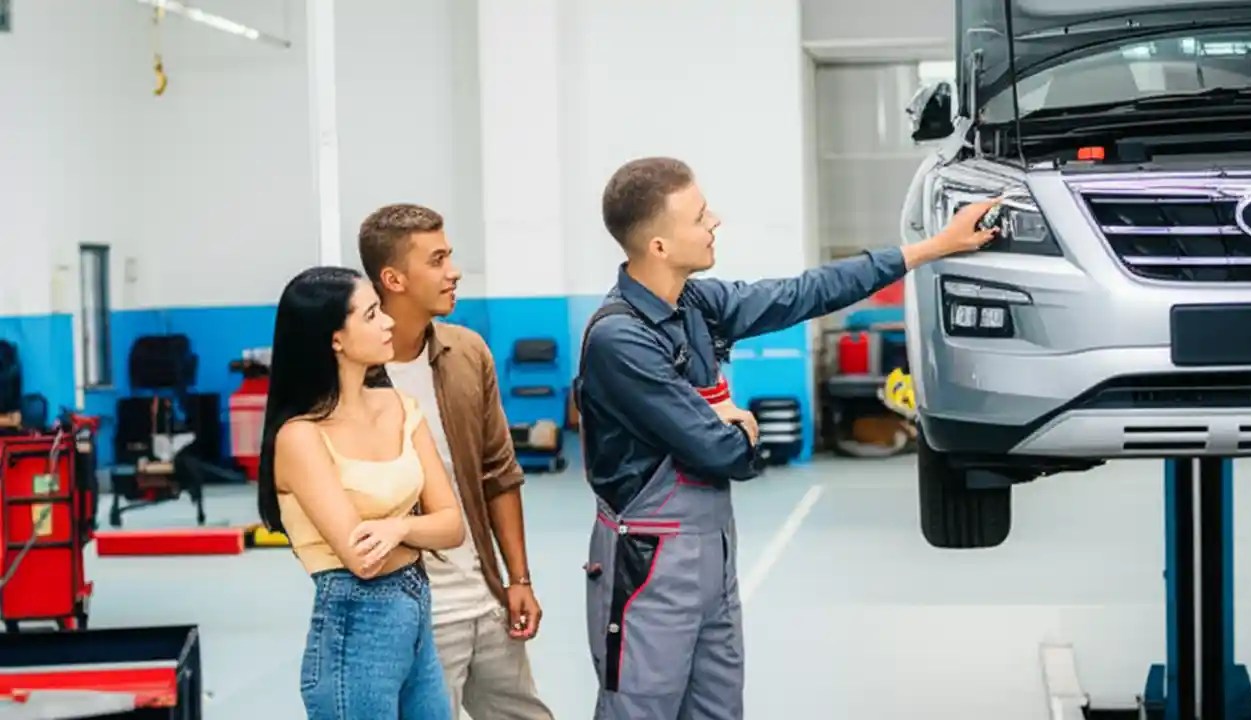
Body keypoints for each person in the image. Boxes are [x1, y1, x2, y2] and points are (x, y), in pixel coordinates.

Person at [574, 156, 998, 719]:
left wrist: (931, 248)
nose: (715, 221)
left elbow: (804, 293)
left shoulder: (694, 305)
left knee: (718, 708)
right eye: (701, 216)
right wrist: (737, 427)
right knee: (641, 710)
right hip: (649, 562)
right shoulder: (620, 339)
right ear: (658, 245)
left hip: (712, 550)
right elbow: (723, 452)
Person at [356, 204, 556, 720]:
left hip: (484, 599)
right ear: (393, 279)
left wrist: (519, 579)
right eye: (438, 259)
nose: (455, 271)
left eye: (451, 255)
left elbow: (499, 474)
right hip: (413, 614)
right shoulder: (350, 378)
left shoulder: (468, 353)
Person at [257, 266, 466, 720]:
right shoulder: (300, 438)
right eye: (372, 315)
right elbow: (362, 559)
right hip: (355, 635)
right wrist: (415, 531)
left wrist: (397, 528)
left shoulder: (399, 407)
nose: (389, 322)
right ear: (335, 339)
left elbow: (453, 526)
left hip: (416, 624)